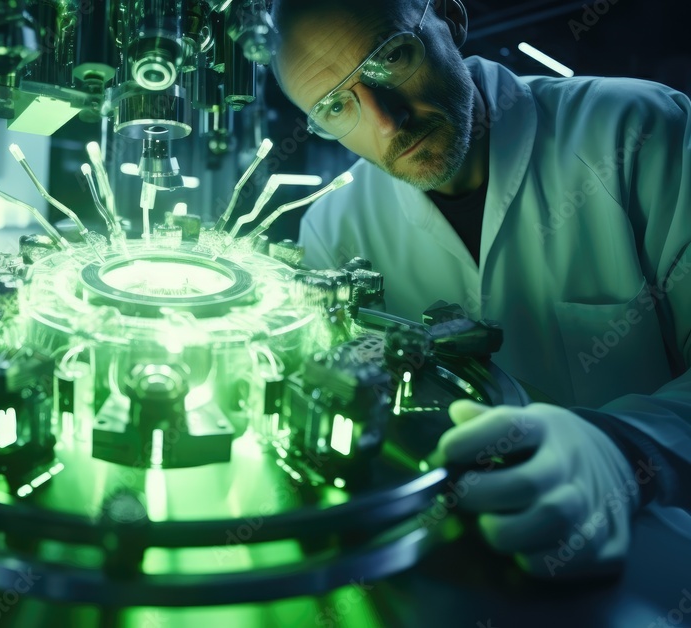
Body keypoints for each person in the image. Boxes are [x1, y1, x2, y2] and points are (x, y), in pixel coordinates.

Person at [270, 0, 691, 578]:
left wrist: (623, 454)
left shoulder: (637, 131)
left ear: (451, 17)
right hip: (462, 559)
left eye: (391, 57)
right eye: (336, 105)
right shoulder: (337, 227)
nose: (387, 121)